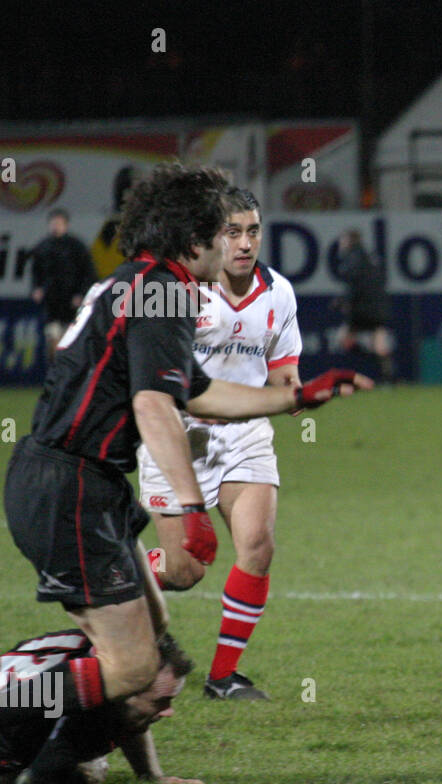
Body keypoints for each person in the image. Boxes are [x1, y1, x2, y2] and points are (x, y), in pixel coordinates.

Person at [0, 162, 370, 764]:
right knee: (129, 667)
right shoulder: (164, 290)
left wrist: (294, 397)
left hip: (81, 483)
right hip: (67, 484)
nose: (233, 242)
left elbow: (196, 391)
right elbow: (154, 404)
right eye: (221, 230)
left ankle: (41, 763)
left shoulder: (145, 282)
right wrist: (190, 505)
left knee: (147, 639)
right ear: (195, 239)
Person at [137, 187, 302, 701]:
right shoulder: (182, 291)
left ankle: (223, 676)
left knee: (257, 545)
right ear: (211, 237)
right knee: (184, 571)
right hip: (178, 436)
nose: (244, 242)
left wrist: (298, 395)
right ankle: (121, 574)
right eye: (232, 231)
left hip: (245, 432)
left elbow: (284, 368)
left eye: (253, 230)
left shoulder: (279, 293)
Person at [0, 629, 201, 784]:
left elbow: (130, 719)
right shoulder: (57, 702)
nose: (169, 712)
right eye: (161, 701)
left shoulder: (115, 664)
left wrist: (151, 775)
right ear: (130, 691)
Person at [30, 208, 98, 356]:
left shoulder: (76, 247)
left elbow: (88, 273)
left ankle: (69, 374)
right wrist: (37, 289)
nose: (56, 226)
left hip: (71, 302)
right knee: (52, 339)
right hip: (52, 302)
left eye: (59, 223)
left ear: (65, 225)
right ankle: (55, 373)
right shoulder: (43, 247)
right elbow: (36, 273)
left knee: (70, 341)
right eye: (53, 223)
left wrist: (81, 294)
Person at [335, 229, 394, 382]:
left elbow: (355, 285)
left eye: (343, 240)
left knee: (344, 340)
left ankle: (368, 368)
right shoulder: (371, 258)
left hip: (362, 308)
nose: (340, 244)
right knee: (379, 344)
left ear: (350, 241)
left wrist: (344, 301)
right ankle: (388, 377)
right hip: (378, 306)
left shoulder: (352, 259)